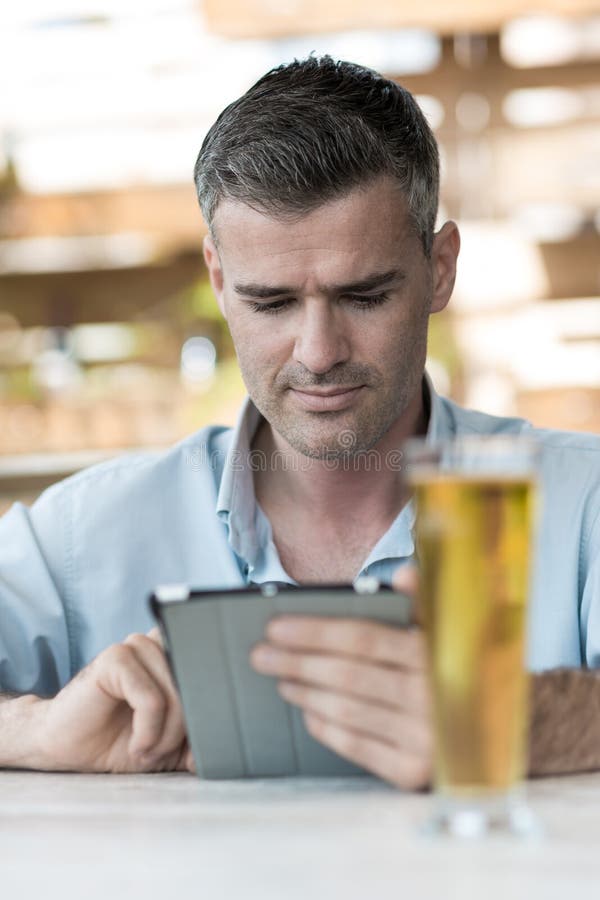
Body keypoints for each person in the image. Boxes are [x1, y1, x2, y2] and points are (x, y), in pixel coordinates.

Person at [1, 56, 599, 784]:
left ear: (439, 269)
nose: (318, 354)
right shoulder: (79, 540)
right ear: (220, 280)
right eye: (272, 303)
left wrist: (513, 718)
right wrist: (32, 729)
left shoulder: (583, 504)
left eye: (365, 296)